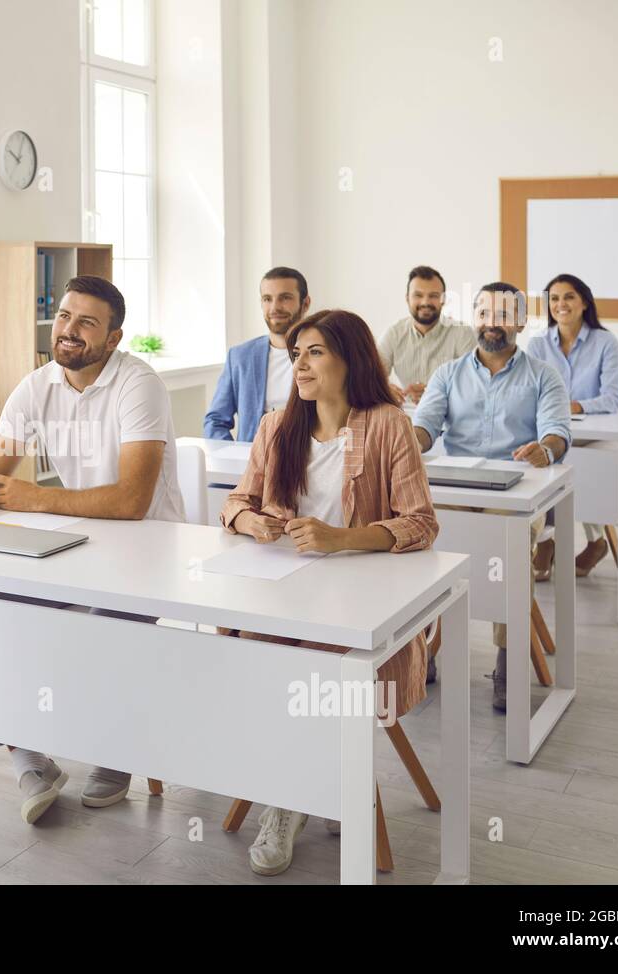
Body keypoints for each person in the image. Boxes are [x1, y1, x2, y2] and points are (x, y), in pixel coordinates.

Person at [0, 275, 185, 824]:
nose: (69, 331)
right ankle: (28, 755)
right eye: (63, 316)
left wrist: (35, 499)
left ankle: (115, 750)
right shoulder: (37, 386)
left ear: (113, 337)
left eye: (87, 322)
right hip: (76, 539)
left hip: (149, 546)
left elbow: (131, 501)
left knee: (106, 629)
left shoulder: (138, 385)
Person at [218, 309, 438, 876]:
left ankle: (294, 797)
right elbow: (234, 503)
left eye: (314, 352)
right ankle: (327, 780)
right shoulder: (276, 427)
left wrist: (340, 539)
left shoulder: (388, 424)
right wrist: (251, 524)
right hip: (283, 593)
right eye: (296, 355)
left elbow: (420, 523)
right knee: (252, 657)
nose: (301, 365)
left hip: (363, 606)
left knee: (311, 669)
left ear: (349, 359)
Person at [411, 282, 571, 712]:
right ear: (474, 319)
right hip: (459, 489)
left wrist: (546, 447)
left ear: (519, 321)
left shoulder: (543, 375)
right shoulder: (448, 374)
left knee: (506, 552)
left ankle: (505, 658)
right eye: (484, 314)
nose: (492, 324)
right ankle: (421, 646)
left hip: (516, 495)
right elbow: (425, 428)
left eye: (503, 315)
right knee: (416, 542)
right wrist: (409, 439)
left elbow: (559, 431)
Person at [526, 273, 618, 579]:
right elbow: (528, 391)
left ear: (584, 302)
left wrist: (575, 405)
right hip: (551, 430)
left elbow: (613, 397)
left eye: (568, 297)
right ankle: (546, 538)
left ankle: (586, 541)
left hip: (594, 435)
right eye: (554, 299)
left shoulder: (605, 342)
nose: (561, 304)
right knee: (539, 457)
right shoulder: (538, 344)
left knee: (576, 461)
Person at [203, 267, 310, 442]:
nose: (275, 307)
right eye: (267, 299)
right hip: (253, 461)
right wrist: (237, 459)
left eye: (285, 298)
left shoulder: (323, 355)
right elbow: (215, 421)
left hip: (306, 458)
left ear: (305, 303)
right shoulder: (239, 357)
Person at [377, 265, 476, 405]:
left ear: (443, 300)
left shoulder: (462, 333)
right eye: (418, 295)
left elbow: (476, 385)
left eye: (433, 296)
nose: (425, 302)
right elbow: (370, 378)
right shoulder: (393, 334)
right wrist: (384, 389)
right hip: (408, 417)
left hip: (451, 420)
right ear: (407, 298)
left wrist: (435, 392)